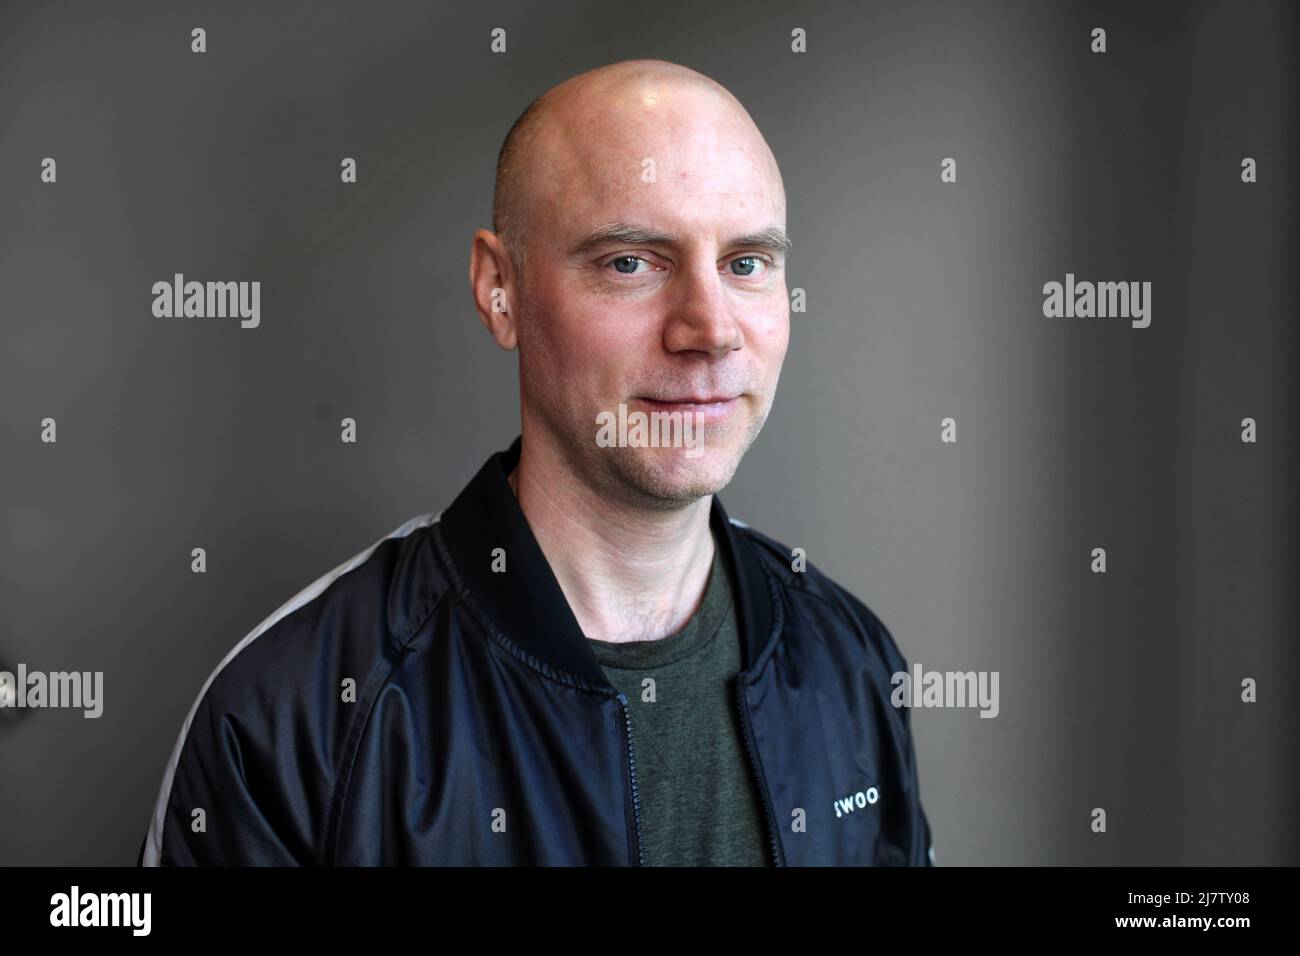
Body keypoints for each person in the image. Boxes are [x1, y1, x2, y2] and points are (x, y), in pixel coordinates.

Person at [138, 58, 934, 866]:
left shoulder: (851, 659)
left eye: (746, 264)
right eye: (632, 262)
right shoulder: (288, 718)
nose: (710, 328)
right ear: (500, 290)